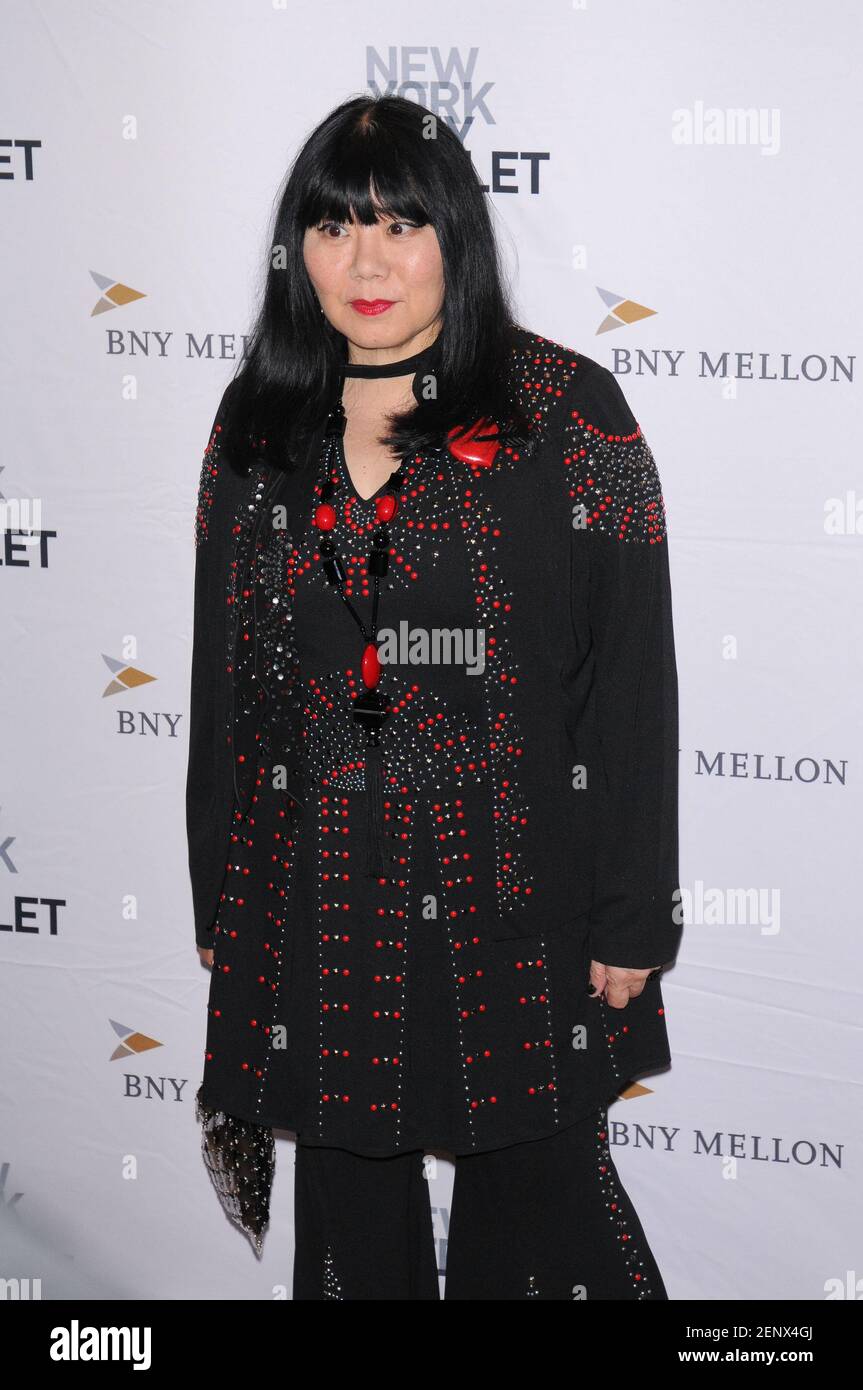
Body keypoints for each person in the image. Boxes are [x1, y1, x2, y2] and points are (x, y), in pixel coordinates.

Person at [187, 93, 682, 1300]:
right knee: (353, 1222)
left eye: (401, 225)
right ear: (294, 248)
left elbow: (628, 682)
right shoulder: (257, 422)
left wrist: (630, 917)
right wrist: (224, 893)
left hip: (517, 889)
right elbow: (223, 685)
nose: (364, 261)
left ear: (456, 236)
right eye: (333, 226)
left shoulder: (569, 413)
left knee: (543, 1221)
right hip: (324, 891)